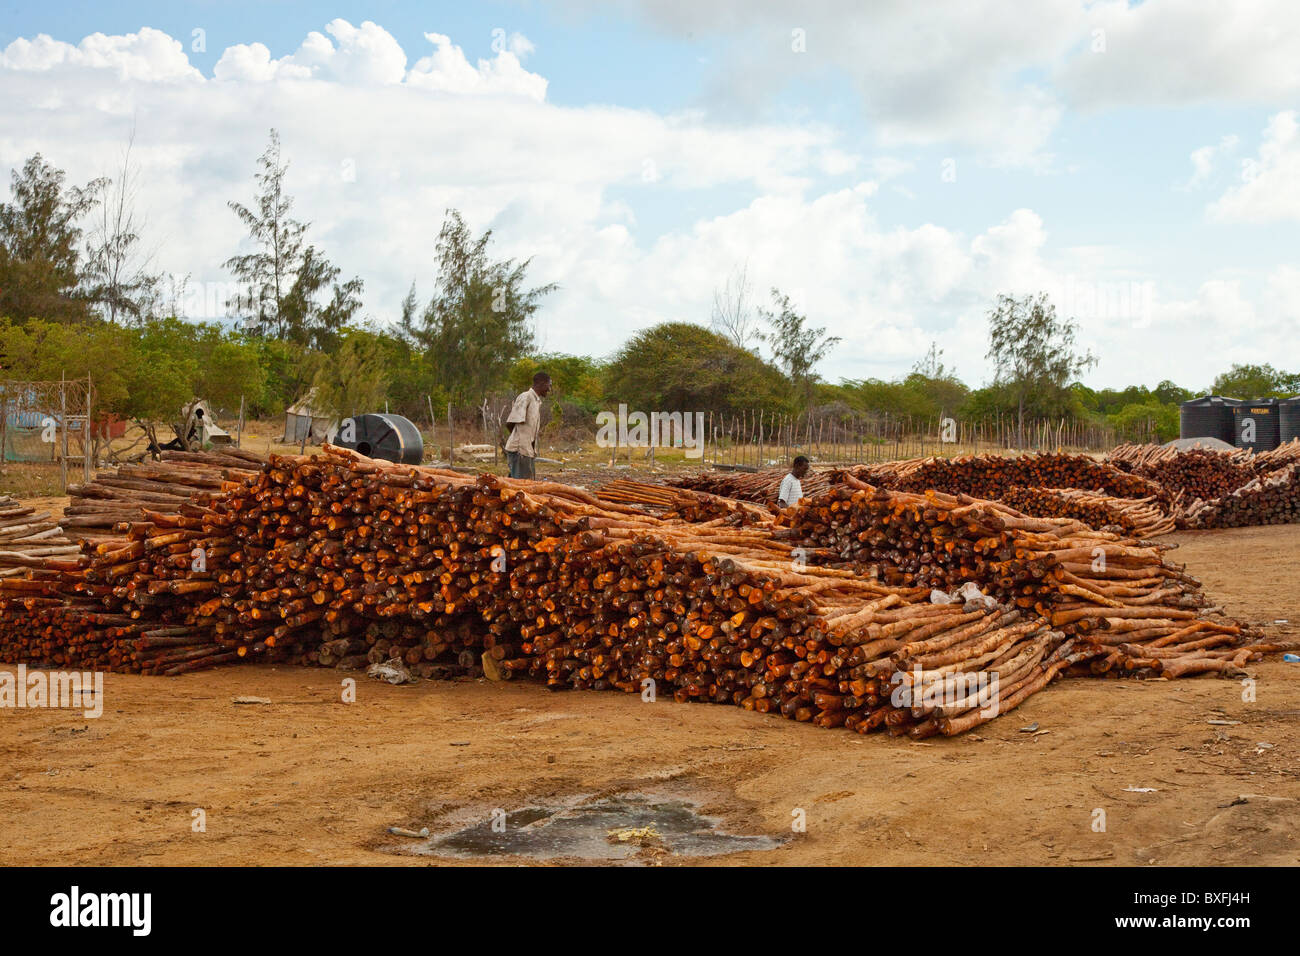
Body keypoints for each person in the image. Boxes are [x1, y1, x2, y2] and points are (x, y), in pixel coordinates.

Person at [504, 372, 551, 479]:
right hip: (519, 451)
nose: (549, 389)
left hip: (527, 452)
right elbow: (510, 422)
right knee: (522, 487)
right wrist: (519, 441)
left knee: (524, 485)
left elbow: (531, 431)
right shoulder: (526, 397)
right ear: (542, 383)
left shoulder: (536, 401)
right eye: (549, 385)